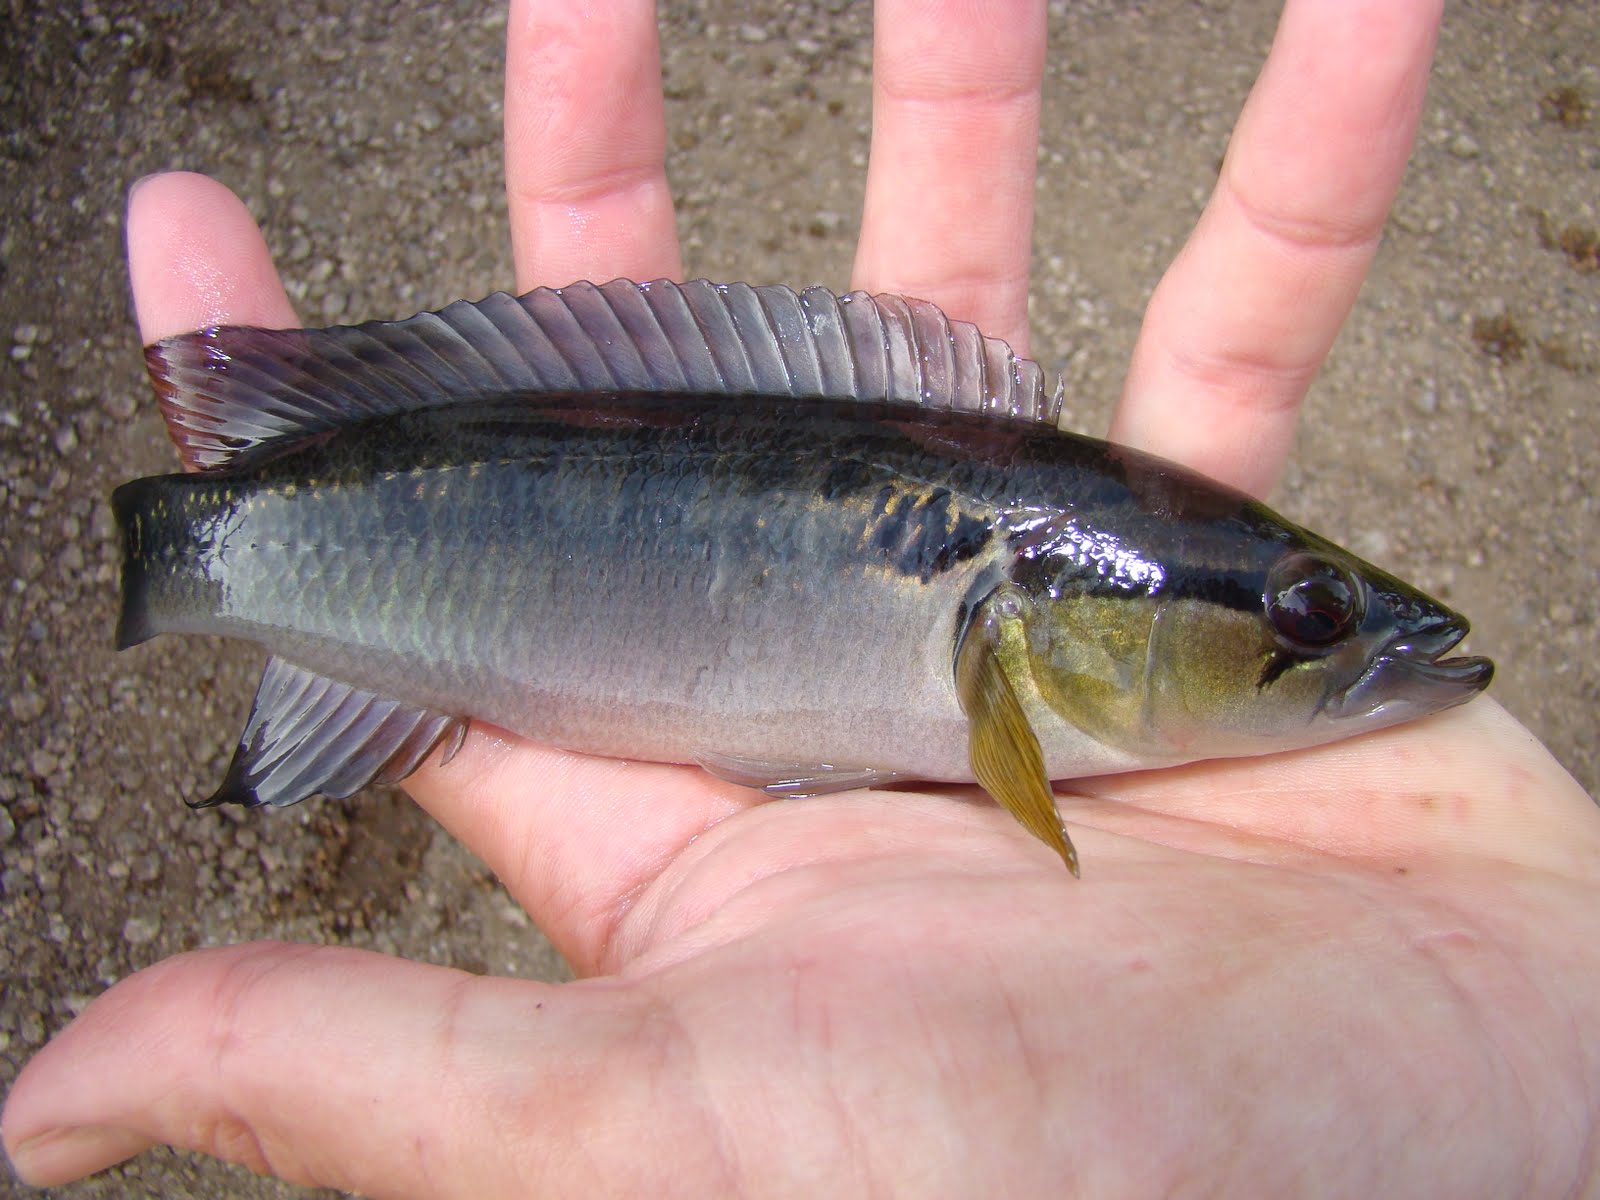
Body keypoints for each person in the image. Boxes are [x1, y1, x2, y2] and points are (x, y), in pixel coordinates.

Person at [8, 0, 1599, 1194]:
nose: (1343, 633)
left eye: (1308, 613)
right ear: (1035, 603)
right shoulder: (1013, 617)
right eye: (1305, 613)